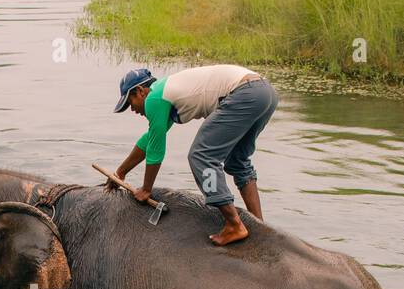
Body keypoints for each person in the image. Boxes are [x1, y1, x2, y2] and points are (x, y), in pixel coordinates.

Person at [108, 64, 277, 246]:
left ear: (140, 91)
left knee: (201, 156)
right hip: (265, 92)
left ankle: (234, 224)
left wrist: (146, 189)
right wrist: (120, 172)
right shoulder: (166, 94)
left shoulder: (154, 100)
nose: (132, 109)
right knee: (237, 161)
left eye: (129, 102)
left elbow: (156, 151)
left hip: (244, 93)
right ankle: (258, 223)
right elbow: (149, 140)